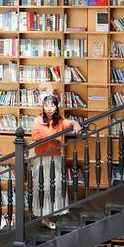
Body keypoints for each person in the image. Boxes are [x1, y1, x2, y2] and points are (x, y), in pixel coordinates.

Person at [30, 93, 81, 229]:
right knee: (43, 187)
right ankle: (44, 217)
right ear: (43, 107)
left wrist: (76, 124)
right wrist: (55, 137)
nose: (49, 108)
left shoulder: (60, 120)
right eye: (46, 105)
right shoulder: (37, 120)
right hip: (42, 158)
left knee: (56, 186)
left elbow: (70, 123)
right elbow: (35, 136)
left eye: (52, 105)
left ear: (56, 107)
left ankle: (50, 214)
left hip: (56, 157)